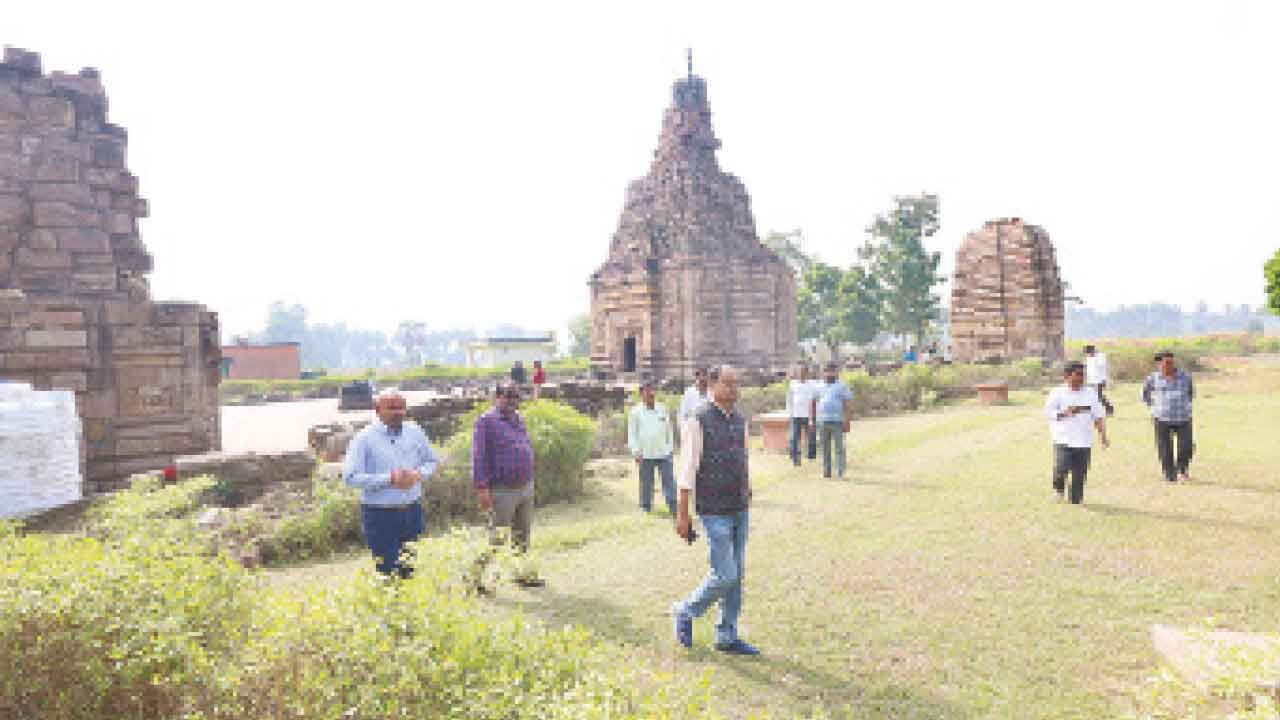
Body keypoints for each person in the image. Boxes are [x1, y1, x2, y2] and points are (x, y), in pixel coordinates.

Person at [670, 365, 759, 656]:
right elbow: (686, 471)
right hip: (713, 509)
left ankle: (726, 635)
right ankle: (685, 610)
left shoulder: (739, 419)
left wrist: (747, 488)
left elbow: (742, 457)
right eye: (727, 384)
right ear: (711, 385)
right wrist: (682, 515)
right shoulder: (698, 420)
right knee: (725, 574)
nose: (734, 389)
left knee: (737, 574)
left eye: (736, 383)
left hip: (738, 506)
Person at [343, 389, 439, 577]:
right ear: (378, 409)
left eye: (401, 408)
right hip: (380, 515)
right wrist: (390, 479)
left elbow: (431, 462)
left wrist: (417, 475)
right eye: (392, 408)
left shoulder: (415, 432)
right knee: (387, 570)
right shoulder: (364, 439)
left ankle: (406, 605)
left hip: (412, 511)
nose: (398, 412)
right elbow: (350, 477)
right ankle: (390, 605)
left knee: (409, 568)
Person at [472, 382, 543, 586]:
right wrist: (482, 489)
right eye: (508, 396)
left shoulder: (518, 419)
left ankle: (523, 576)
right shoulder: (486, 421)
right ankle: (475, 578)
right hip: (502, 490)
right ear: (497, 397)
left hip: (525, 487)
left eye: (516, 396)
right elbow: (479, 457)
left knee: (522, 537)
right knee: (497, 538)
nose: (513, 400)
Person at [1044, 362, 1109, 504]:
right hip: (1063, 439)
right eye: (1078, 374)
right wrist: (1065, 413)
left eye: (1083, 374)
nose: (1081, 378)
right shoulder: (1057, 392)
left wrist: (1103, 436)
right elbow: (1048, 412)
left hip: (1084, 440)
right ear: (1067, 376)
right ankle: (1059, 490)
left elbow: (1098, 415)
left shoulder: (1090, 393)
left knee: (1080, 474)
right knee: (1061, 468)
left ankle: (1075, 498)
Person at [1141, 351, 1195, 483]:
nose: (1168, 366)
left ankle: (1182, 469)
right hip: (1162, 418)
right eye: (1165, 363)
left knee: (1186, 446)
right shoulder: (1153, 378)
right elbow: (1145, 394)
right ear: (1159, 364)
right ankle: (1170, 474)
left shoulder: (1185, 377)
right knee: (1165, 448)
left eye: (1171, 362)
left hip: (1183, 417)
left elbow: (1190, 393)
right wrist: (1154, 407)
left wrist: (1183, 405)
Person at [628, 378, 676, 514]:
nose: (651, 393)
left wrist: (670, 448)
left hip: (663, 452)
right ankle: (646, 507)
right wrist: (635, 451)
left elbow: (669, 430)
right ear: (641, 393)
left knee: (669, 481)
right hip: (645, 453)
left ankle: (673, 506)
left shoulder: (662, 409)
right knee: (646, 482)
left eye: (652, 390)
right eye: (647, 390)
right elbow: (632, 434)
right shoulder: (635, 412)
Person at [813, 363, 854, 479]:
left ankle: (840, 471)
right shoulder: (819, 386)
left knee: (839, 448)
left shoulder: (842, 386)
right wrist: (812, 419)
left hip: (837, 421)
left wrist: (847, 421)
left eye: (832, 371)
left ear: (836, 372)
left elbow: (847, 404)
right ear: (823, 372)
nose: (829, 373)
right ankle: (826, 471)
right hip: (822, 421)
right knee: (824, 448)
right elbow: (813, 403)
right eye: (827, 371)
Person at [784, 365, 816, 467]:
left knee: (810, 437)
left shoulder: (811, 385)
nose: (801, 374)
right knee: (794, 438)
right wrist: (789, 413)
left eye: (803, 372)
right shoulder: (793, 384)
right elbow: (789, 399)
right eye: (799, 372)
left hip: (807, 415)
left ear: (806, 373)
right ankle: (795, 459)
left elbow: (811, 401)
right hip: (795, 415)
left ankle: (811, 455)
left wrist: (811, 418)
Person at [1083, 344, 1114, 416]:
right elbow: (1089, 369)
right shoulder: (1089, 358)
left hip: (1099, 380)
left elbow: (1103, 368)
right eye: (1087, 354)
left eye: (1088, 353)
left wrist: (1105, 379)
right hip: (1091, 380)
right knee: (1091, 396)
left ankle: (1109, 408)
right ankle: (1093, 411)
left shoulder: (1100, 356)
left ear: (1092, 351)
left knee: (1098, 396)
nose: (1087, 355)